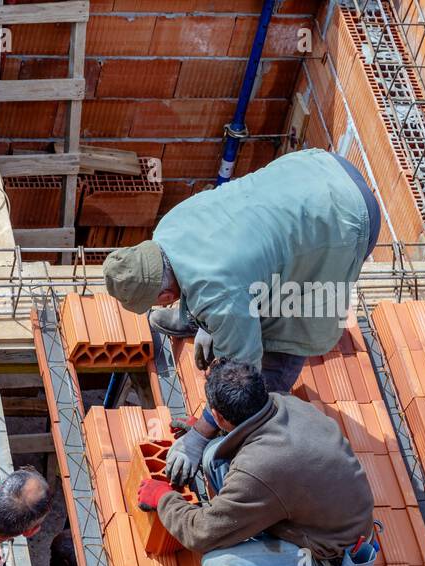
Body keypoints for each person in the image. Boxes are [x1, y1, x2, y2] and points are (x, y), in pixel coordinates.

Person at [103, 148, 381, 486]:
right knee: (241, 293)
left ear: (164, 296)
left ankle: (259, 415)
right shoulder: (169, 228)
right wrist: (209, 322)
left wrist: (201, 435)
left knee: (282, 339)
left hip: (344, 219)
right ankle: (202, 321)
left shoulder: (219, 293)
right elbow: (204, 265)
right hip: (314, 170)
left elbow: (243, 370)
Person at [136, 360, 376, 566]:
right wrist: (200, 436)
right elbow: (251, 458)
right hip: (314, 514)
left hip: (326, 558)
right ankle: (246, 525)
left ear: (221, 417)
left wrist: (163, 499)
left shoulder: (261, 469)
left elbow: (200, 534)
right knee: (213, 455)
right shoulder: (285, 404)